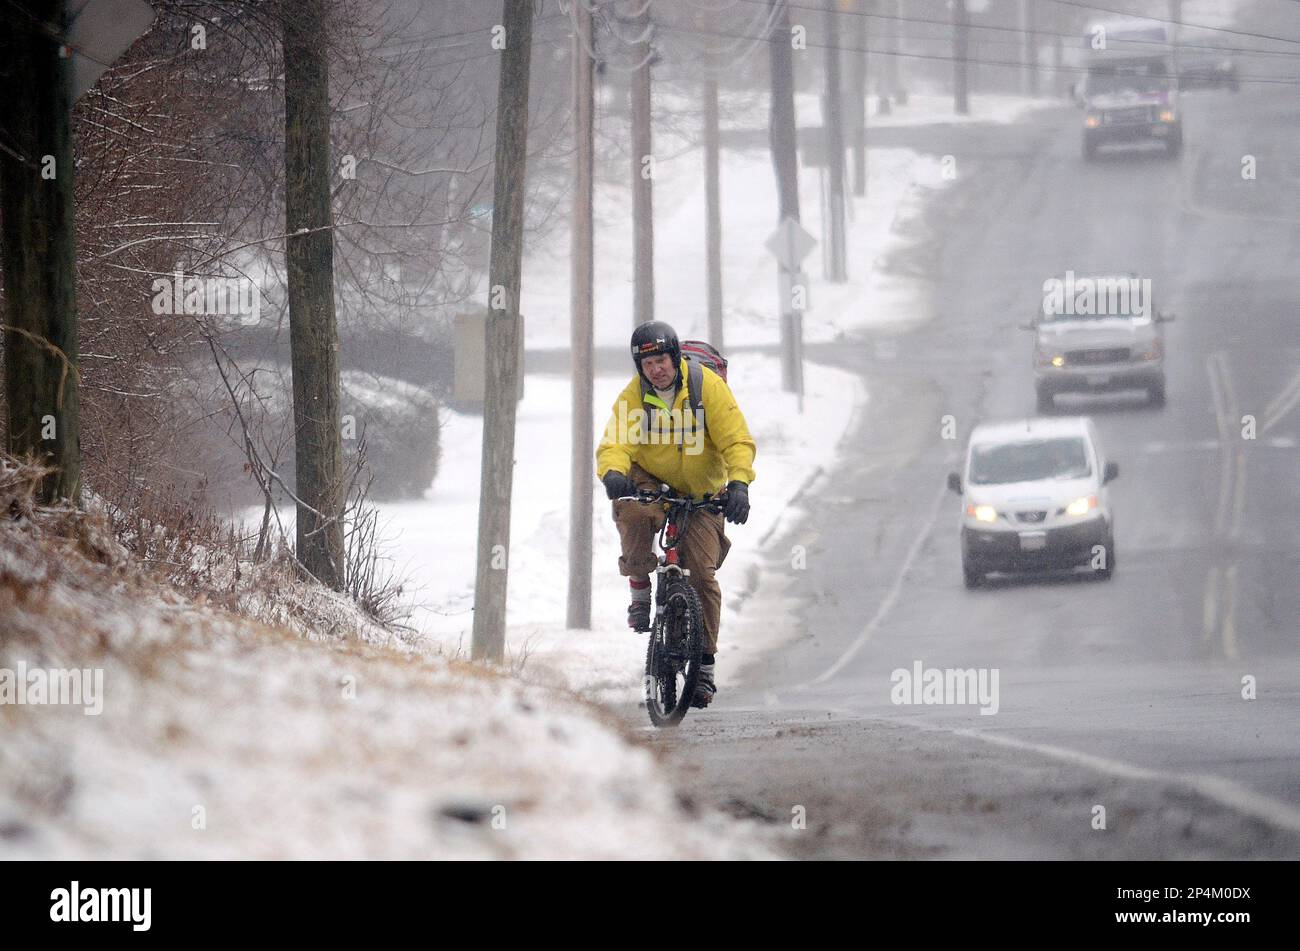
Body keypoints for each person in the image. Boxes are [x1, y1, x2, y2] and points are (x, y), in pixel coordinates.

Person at [596, 320, 756, 708]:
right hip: (651, 480)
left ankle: (704, 665)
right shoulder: (633, 396)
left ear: (675, 358)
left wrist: (739, 485)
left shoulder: (706, 388)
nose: (657, 369)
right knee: (633, 514)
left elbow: (737, 439)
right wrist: (614, 472)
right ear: (640, 368)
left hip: (702, 489)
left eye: (663, 360)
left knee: (701, 574)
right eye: (648, 364)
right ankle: (639, 587)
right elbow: (614, 442)